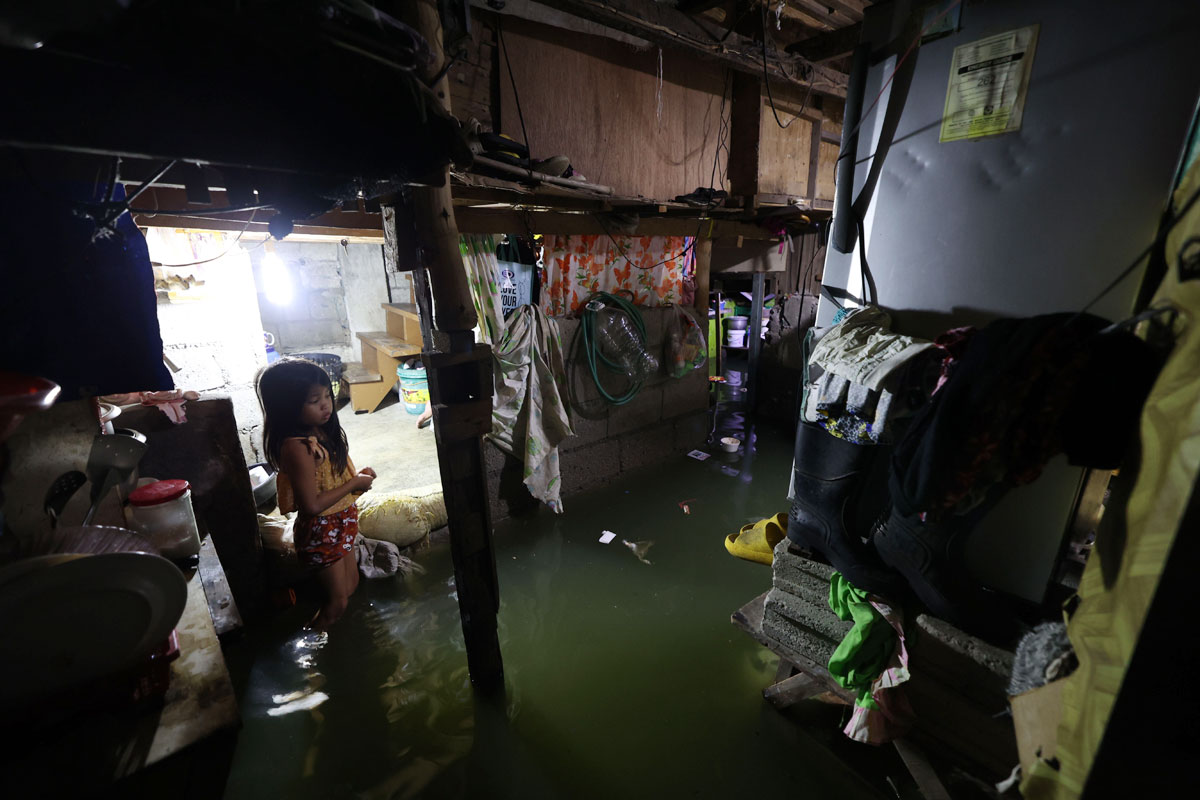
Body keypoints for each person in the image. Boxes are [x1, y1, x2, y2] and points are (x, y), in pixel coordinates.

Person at [258, 358, 377, 629]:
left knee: (351, 586)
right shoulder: (297, 447)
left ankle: (342, 637)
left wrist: (355, 477)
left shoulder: (319, 431)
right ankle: (313, 648)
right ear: (288, 406)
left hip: (340, 523)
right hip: (322, 531)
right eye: (314, 400)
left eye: (327, 395)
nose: (326, 405)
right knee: (337, 603)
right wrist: (353, 484)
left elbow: (329, 478)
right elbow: (310, 505)